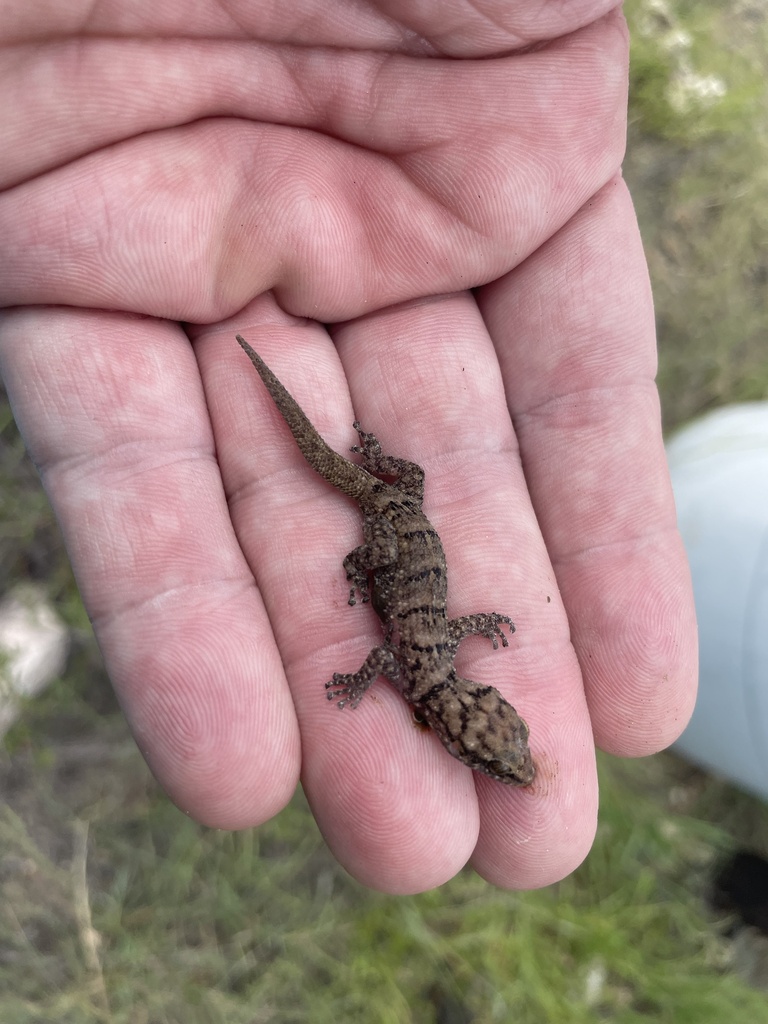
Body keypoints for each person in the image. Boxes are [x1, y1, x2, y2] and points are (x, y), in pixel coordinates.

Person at [0, 1, 697, 894]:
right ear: (455, 725)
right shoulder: (422, 675)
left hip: (398, 507)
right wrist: (372, 629)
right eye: (504, 744)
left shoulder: (436, 662)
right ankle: (341, 454)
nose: (503, 741)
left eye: (500, 747)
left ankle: (356, 458)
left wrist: (423, 596)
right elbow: (380, 653)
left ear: (472, 718)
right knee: (367, 524)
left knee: (390, 497)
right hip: (389, 520)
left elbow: (402, 643)